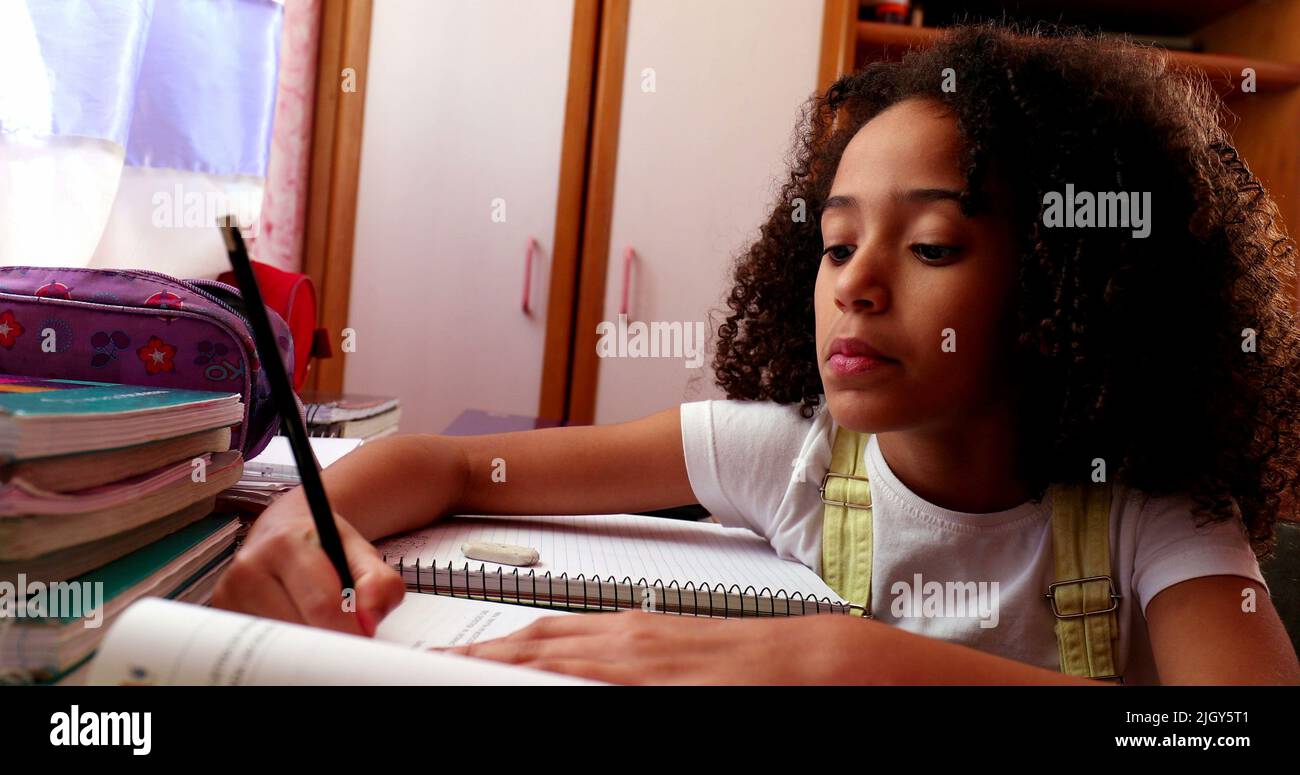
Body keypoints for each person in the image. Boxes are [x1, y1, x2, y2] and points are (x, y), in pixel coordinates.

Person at [212, 25, 1300, 685]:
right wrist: (300, 519)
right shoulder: (789, 455)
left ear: (1070, 284)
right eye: (833, 243)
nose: (854, 283)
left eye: (929, 244)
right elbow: (456, 466)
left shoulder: (1150, 512)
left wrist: (852, 661)